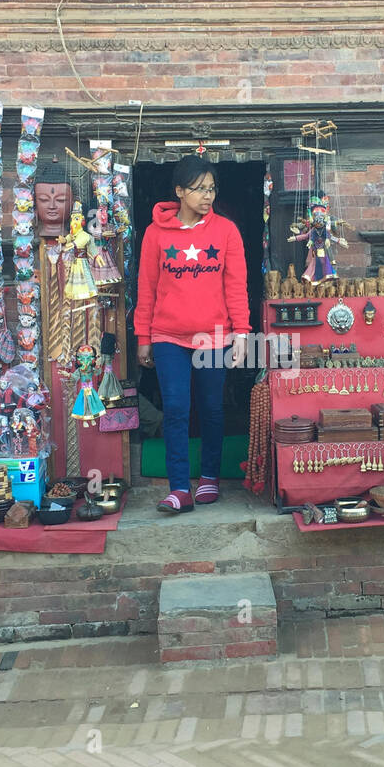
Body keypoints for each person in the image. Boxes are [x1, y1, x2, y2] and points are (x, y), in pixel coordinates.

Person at [135, 156, 250, 515]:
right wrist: (143, 337)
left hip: (214, 337)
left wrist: (242, 334)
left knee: (213, 409)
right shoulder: (156, 234)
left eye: (212, 188)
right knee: (175, 410)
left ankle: (210, 477)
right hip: (168, 336)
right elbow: (147, 288)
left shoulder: (226, 231)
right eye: (199, 188)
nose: (207, 195)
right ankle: (180, 488)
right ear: (180, 191)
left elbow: (236, 286)